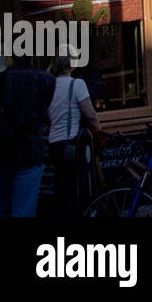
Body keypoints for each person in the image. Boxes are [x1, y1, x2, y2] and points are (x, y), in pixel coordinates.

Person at [0, 56, 57, 217]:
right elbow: (46, 113)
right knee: (24, 209)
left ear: (11, 56)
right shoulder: (46, 80)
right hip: (29, 149)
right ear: (32, 57)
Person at [46, 50, 100, 218]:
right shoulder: (77, 84)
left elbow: (47, 115)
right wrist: (98, 127)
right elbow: (90, 113)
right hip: (71, 143)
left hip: (53, 143)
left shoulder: (50, 85)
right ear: (72, 64)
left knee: (61, 187)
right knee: (77, 187)